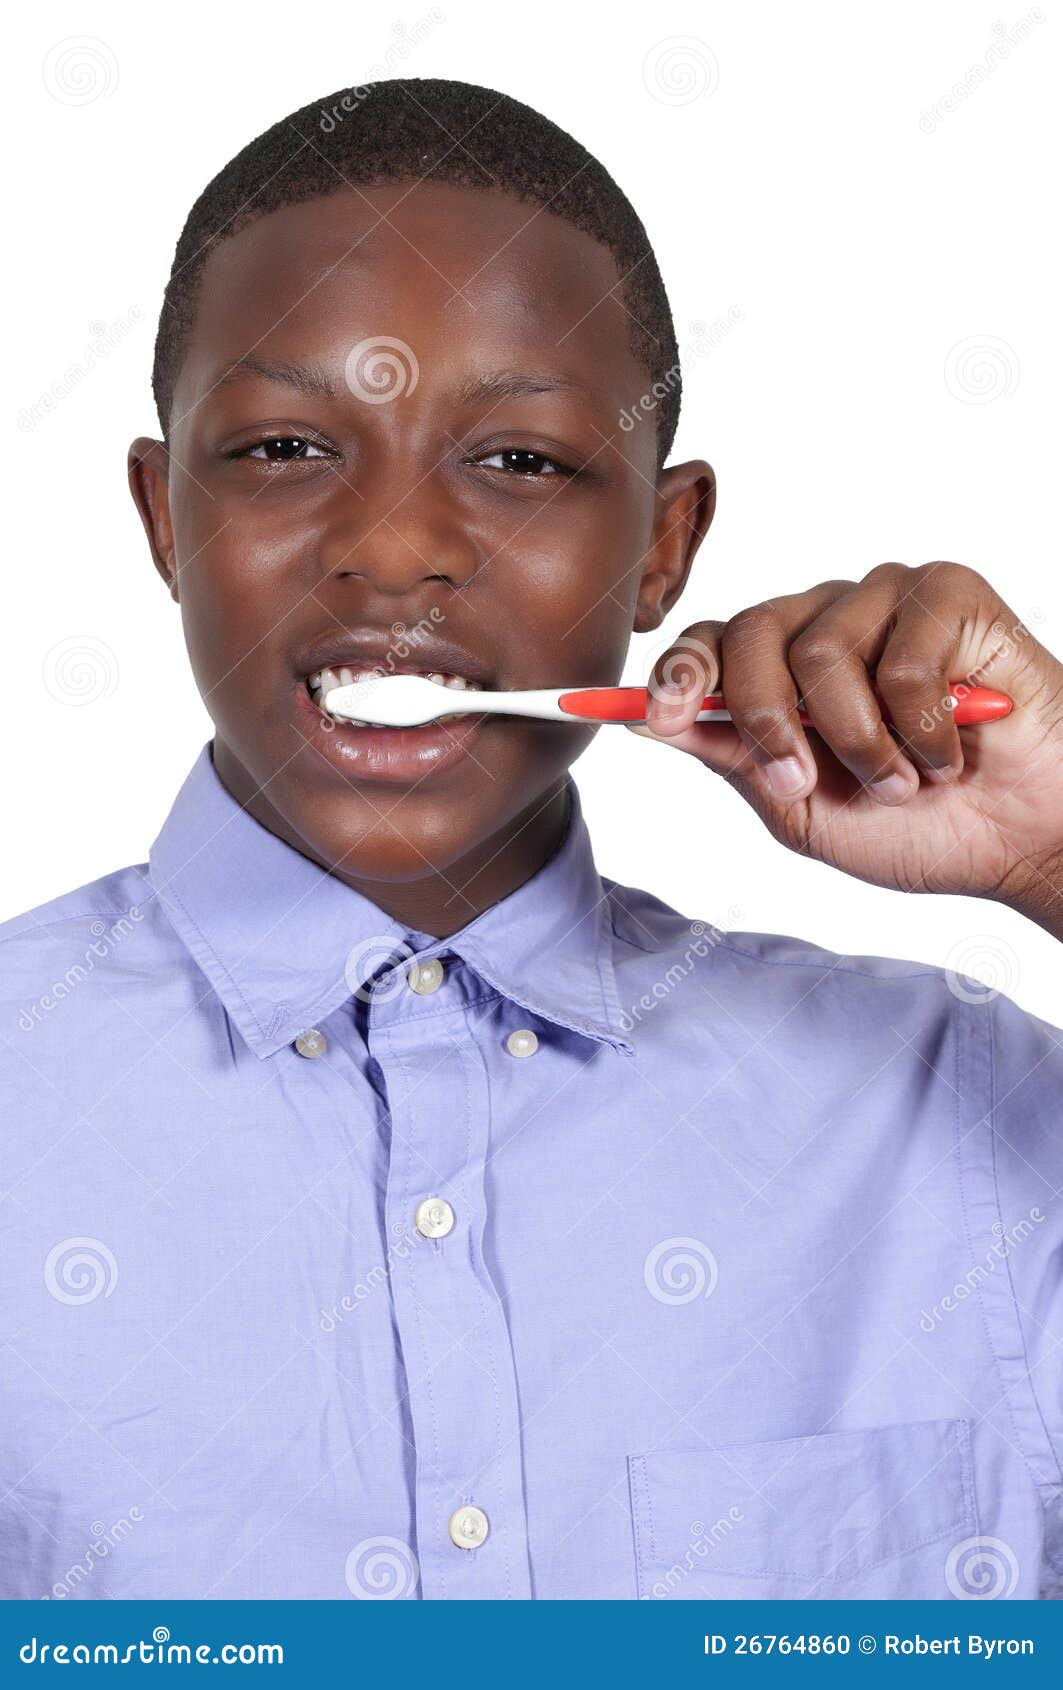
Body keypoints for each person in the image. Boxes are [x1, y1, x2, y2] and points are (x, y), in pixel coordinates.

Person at [2, 78, 1060, 1602]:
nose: (397, 544)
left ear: (664, 544)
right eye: (288, 448)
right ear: (164, 517)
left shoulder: (967, 1117)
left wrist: (1054, 847)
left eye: (522, 462)